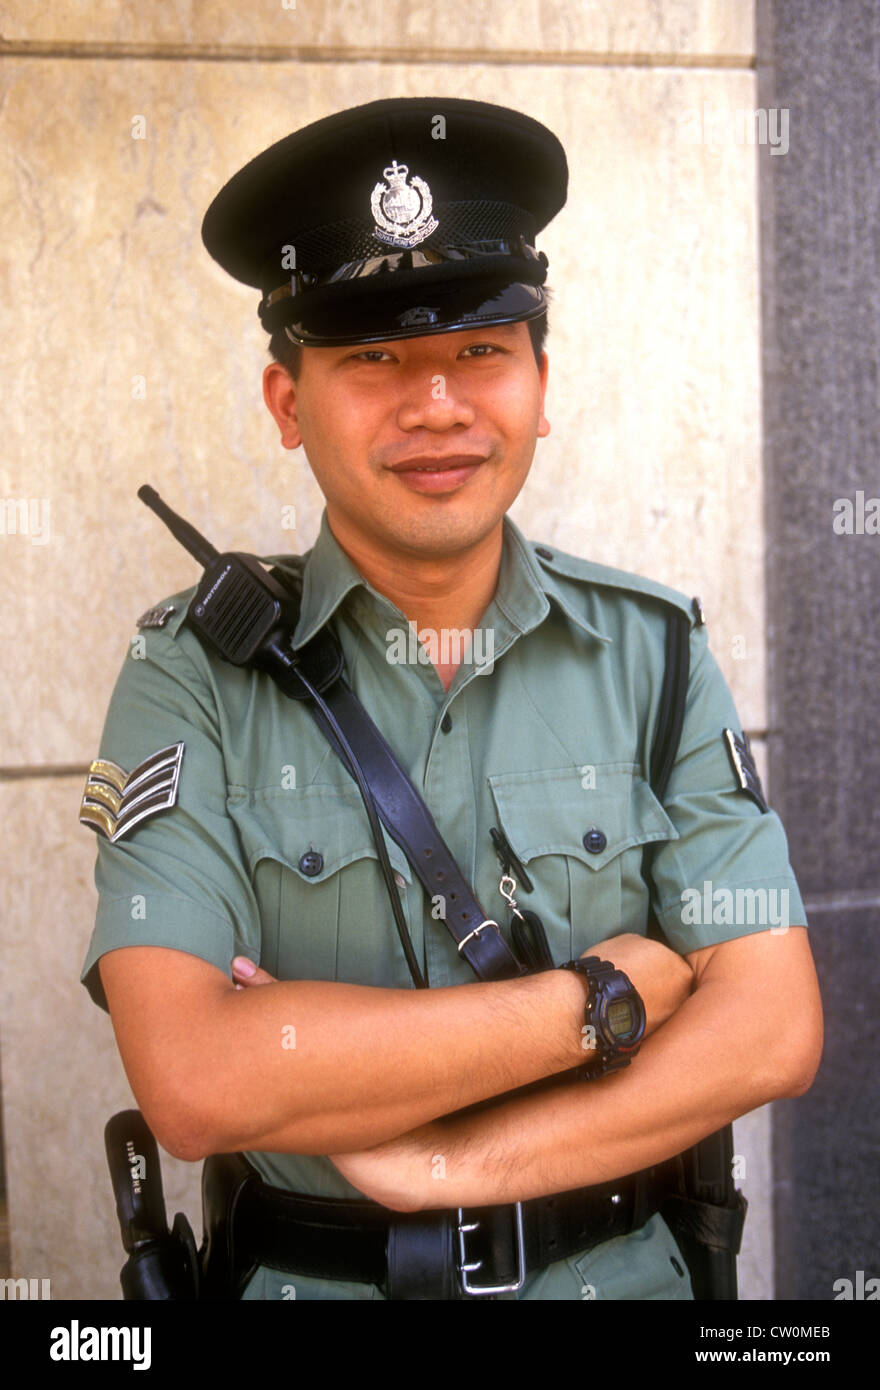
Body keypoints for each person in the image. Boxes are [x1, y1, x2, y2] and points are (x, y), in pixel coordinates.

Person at [79, 97, 823, 1300]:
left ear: (539, 377)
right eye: (372, 358)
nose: (436, 405)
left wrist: (443, 1166)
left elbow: (773, 1022)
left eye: (480, 350)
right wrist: (602, 997)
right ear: (287, 403)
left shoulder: (652, 650)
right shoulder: (190, 676)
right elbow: (196, 1081)